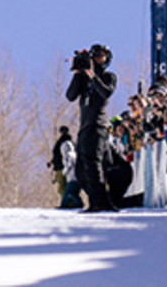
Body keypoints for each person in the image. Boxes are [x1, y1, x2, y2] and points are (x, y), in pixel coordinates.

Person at [66, 44, 118, 212]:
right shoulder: (84, 78)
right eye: (94, 55)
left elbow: (106, 93)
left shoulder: (108, 76)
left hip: (99, 125)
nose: (97, 59)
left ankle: (101, 202)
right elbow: (70, 96)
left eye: (100, 55)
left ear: (107, 58)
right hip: (85, 126)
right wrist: (77, 74)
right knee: (82, 168)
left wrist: (92, 75)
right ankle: (96, 200)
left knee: (94, 164)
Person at [49, 126, 80, 209]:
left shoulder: (64, 144)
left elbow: (61, 156)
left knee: (64, 188)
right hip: (66, 167)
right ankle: (69, 203)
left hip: (63, 168)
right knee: (67, 187)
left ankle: (68, 204)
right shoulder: (72, 143)